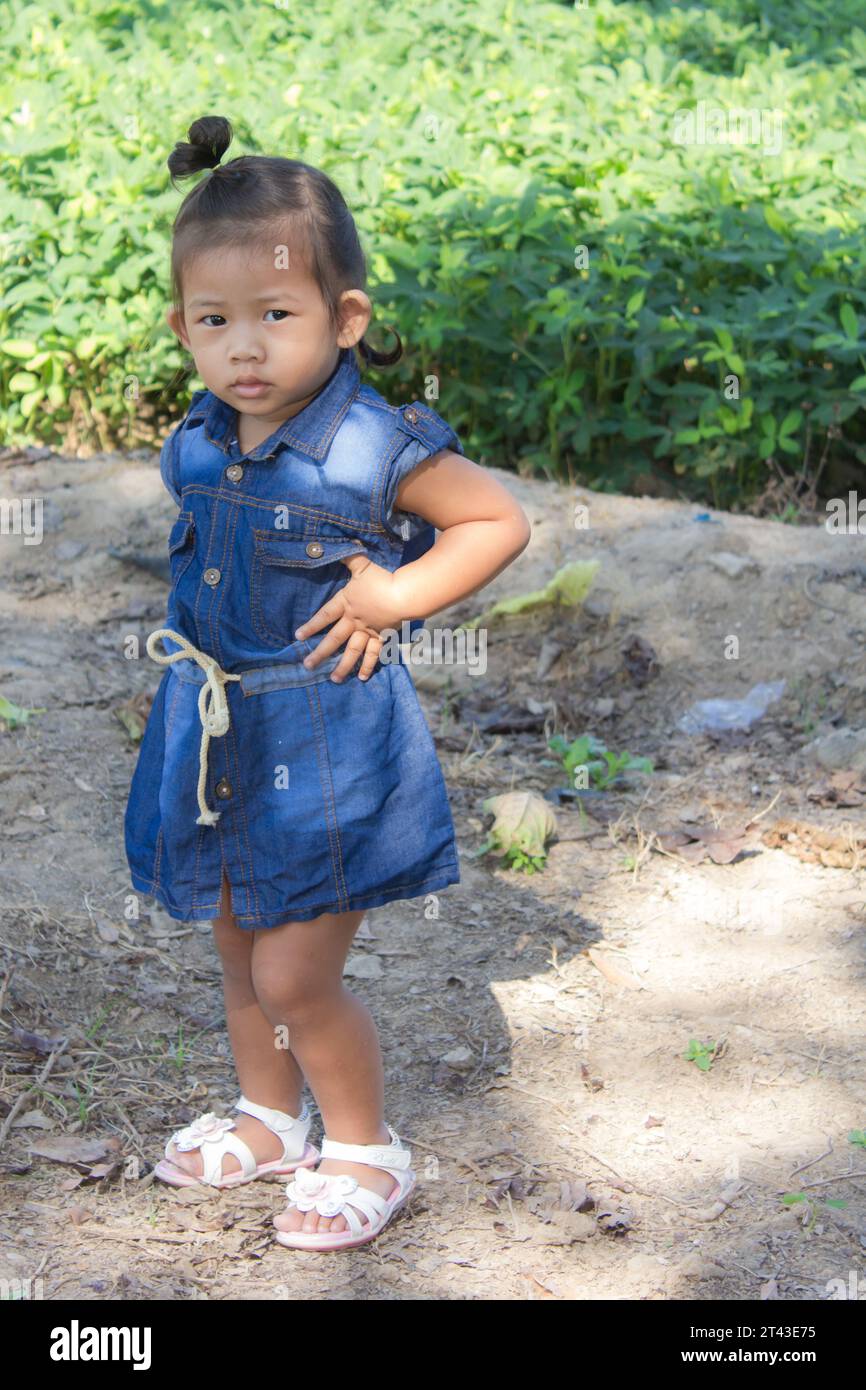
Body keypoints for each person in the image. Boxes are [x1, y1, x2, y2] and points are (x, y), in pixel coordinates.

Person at [124, 115, 531, 1252]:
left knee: (297, 969)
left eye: (275, 315)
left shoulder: (373, 446)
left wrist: (397, 596)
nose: (243, 346)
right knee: (233, 938)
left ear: (343, 320)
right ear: (182, 329)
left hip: (327, 739)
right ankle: (269, 1114)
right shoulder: (199, 440)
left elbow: (494, 520)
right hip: (213, 733)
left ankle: (362, 1144)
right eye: (215, 321)